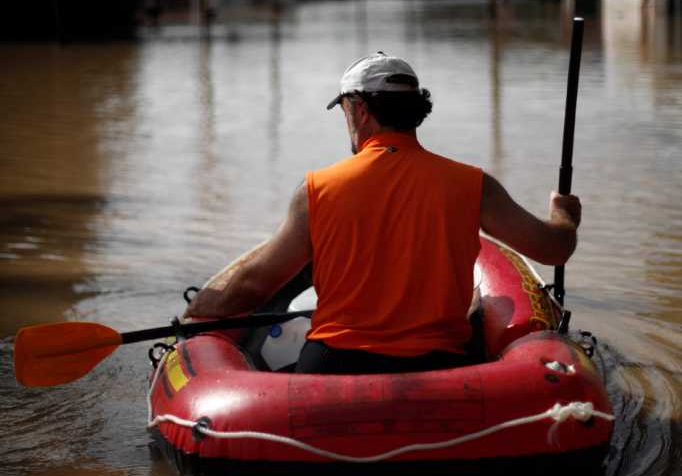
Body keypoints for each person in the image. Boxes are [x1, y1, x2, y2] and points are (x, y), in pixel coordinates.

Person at [184, 52, 581, 374]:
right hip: (439, 367)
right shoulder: (473, 185)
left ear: (358, 109)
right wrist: (563, 214)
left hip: (335, 366)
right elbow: (554, 248)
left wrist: (198, 311)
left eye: (343, 109)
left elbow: (255, 285)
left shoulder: (317, 190)